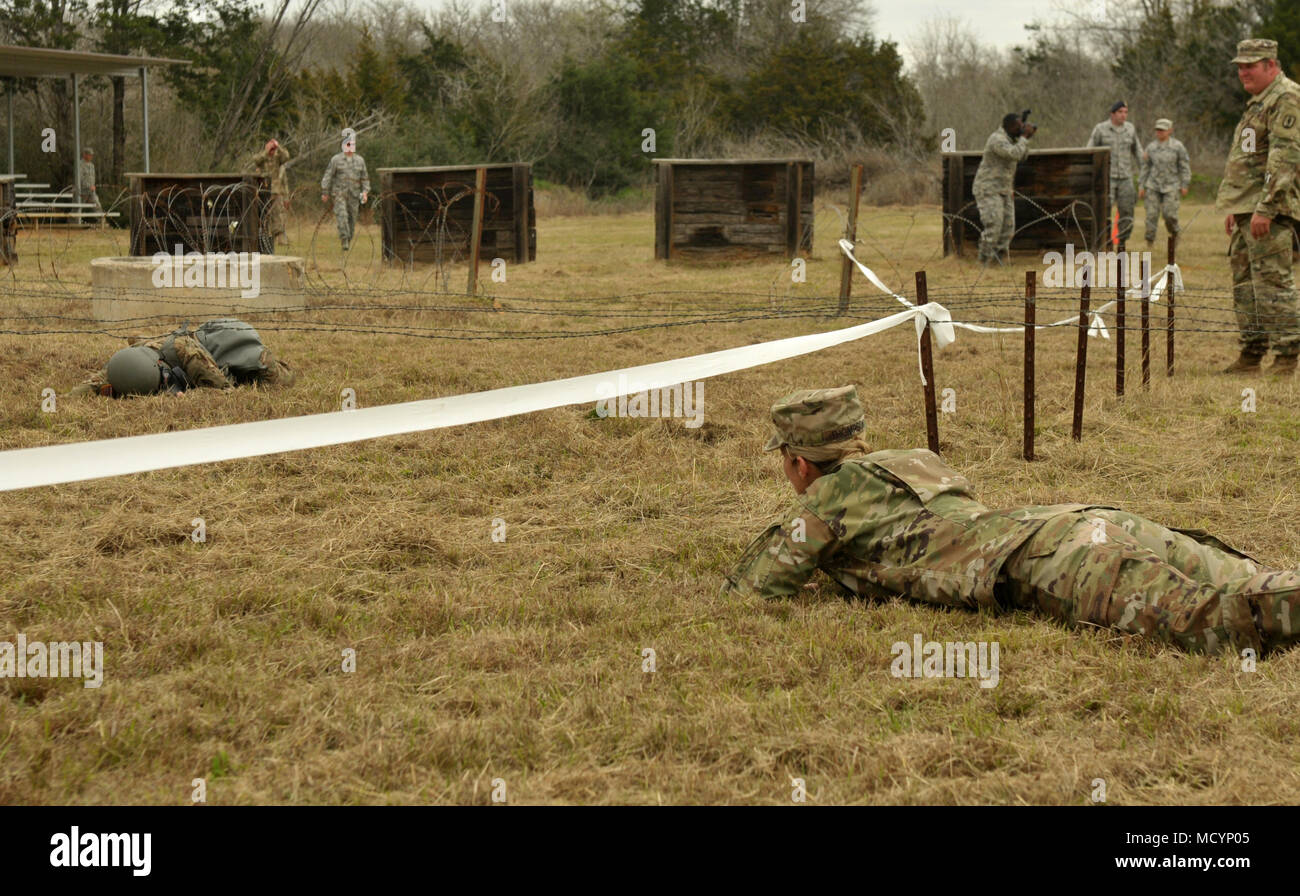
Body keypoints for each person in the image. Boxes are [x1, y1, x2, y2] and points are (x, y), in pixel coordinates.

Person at [722, 385, 1300, 656]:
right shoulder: (916, 459)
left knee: (1211, 621)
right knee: (1244, 575)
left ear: (798, 463)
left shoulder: (828, 497)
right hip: (1082, 520)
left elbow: (756, 588)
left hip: (1054, 560)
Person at [1217, 38, 1300, 376]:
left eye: (1250, 65)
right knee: (1246, 284)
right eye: (1240, 66)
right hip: (1246, 208)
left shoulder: (1286, 97)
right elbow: (1250, 158)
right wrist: (1236, 205)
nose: (1243, 71)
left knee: (1273, 283)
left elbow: (1285, 158)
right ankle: (1252, 354)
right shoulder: (1259, 101)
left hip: (1269, 210)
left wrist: (1266, 207)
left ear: (1271, 65)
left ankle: (1287, 356)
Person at [68, 318, 295, 398]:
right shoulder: (127, 363)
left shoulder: (191, 356)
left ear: (162, 368)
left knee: (275, 378)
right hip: (172, 350)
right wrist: (61, 399)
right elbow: (94, 383)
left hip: (228, 344)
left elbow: (225, 391)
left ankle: (271, 360)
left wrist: (190, 397)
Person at [970, 112, 1034, 266]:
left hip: (1004, 190)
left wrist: (1023, 139)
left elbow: (1023, 155)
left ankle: (998, 261)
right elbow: (1014, 154)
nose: (1021, 129)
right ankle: (984, 261)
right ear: (1010, 127)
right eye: (1018, 127)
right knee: (994, 225)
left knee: (1008, 227)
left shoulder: (1012, 140)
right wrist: (1024, 137)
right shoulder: (997, 139)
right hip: (988, 189)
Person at [1088, 101, 1143, 250]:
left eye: (1125, 112)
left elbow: (1138, 152)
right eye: (1120, 112)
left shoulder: (1130, 129)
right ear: (1112, 114)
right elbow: (1090, 151)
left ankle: (1122, 242)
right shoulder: (1100, 129)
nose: (1123, 115)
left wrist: (1144, 172)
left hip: (1125, 177)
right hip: (1107, 177)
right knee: (1104, 210)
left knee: (1127, 211)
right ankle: (1104, 242)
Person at [1138, 118, 1191, 248]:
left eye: (1162, 130)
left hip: (1171, 185)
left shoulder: (1177, 147)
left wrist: (1185, 184)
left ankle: (1175, 233)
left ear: (1170, 130)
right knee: (1151, 215)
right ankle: (1149, 242)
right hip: (1153, 185)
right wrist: (1141, 185)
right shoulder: (1151, 147)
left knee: (1169, 214)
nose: (1159, 132)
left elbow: (1184, 166)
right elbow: (1145, 167)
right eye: (1158, 130)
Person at [320, 130, 370, 252]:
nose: (349, 147)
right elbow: (328, 176)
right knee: (342, 216)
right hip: (339, 194)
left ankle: (348, 237)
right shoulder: (336, 160)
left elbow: (364, 178)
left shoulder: (360, 161)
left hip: (354, 195)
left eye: (352, 144)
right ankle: (344, 240)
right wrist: (325, 191)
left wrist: (365, 192)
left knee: (352, 220)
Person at [247, 139, 291, 249]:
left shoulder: (278, 158)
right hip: (264, 190)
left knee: (277, 214)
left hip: (276, 190)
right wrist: (266, 151)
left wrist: (278, 146)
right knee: (263, 215)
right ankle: (264, 237)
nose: (272, 151)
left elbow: (286, 157)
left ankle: (279, 237)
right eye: (271, 149)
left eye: (273, 150)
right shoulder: (263, 158)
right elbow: (256, 160)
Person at [77, 147, 103, 225]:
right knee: (78, 206)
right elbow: (80, 178)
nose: (91, 156)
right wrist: (88, 186)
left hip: (92, 191)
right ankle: (73, 220)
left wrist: (93, 186)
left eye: (91, 155)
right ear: (85, 155)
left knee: (97, 204)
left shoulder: (92, 165)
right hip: (82, 191)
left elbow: (92, 177)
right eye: (89, 155)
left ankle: (101, 221)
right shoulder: (80, 164)